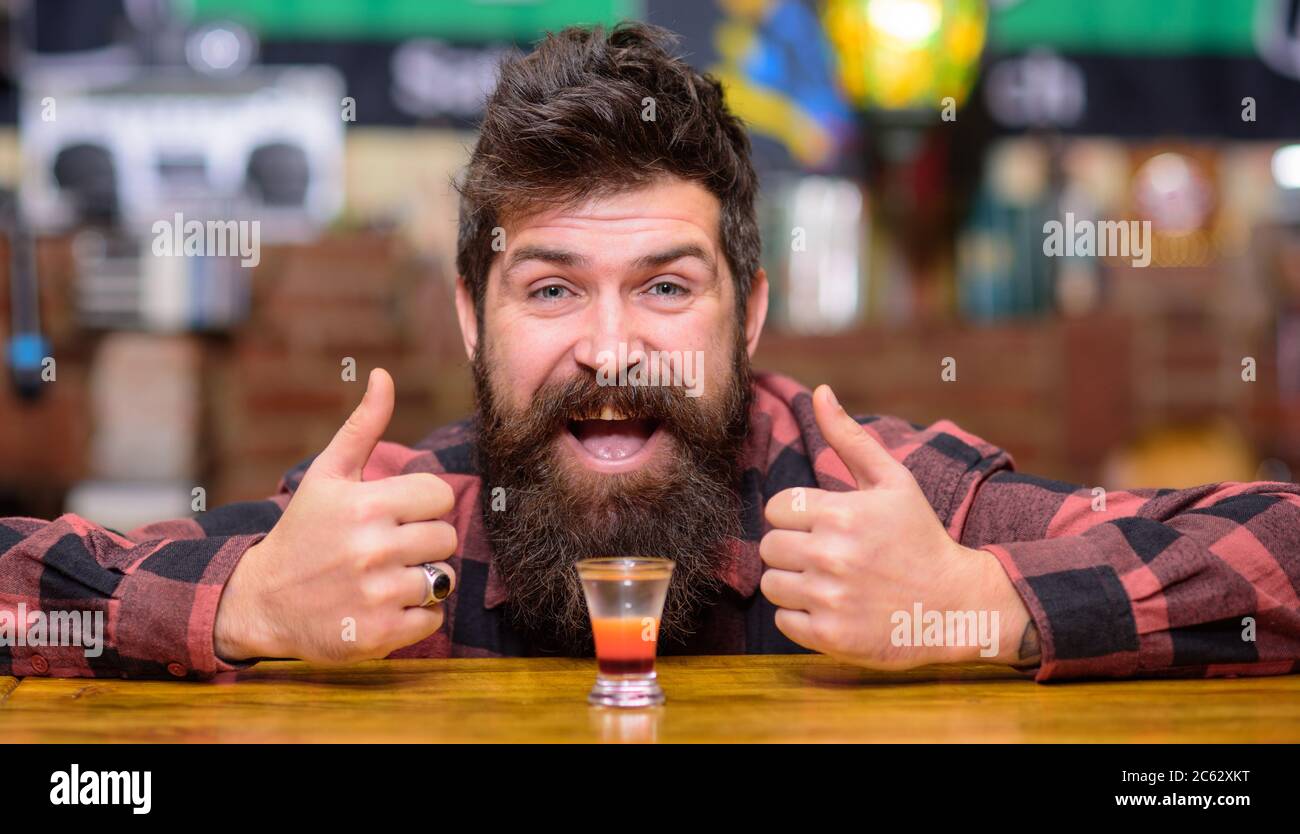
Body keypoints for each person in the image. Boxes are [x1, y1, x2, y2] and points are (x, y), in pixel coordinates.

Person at [2, 23, 1296, 683]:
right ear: (471, 316)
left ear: (750, 311)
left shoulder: (868, 507)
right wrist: (235, 605)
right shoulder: (392, 526)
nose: (610, 348)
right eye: (552, 286)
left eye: (667, 284)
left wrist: (987, 605)